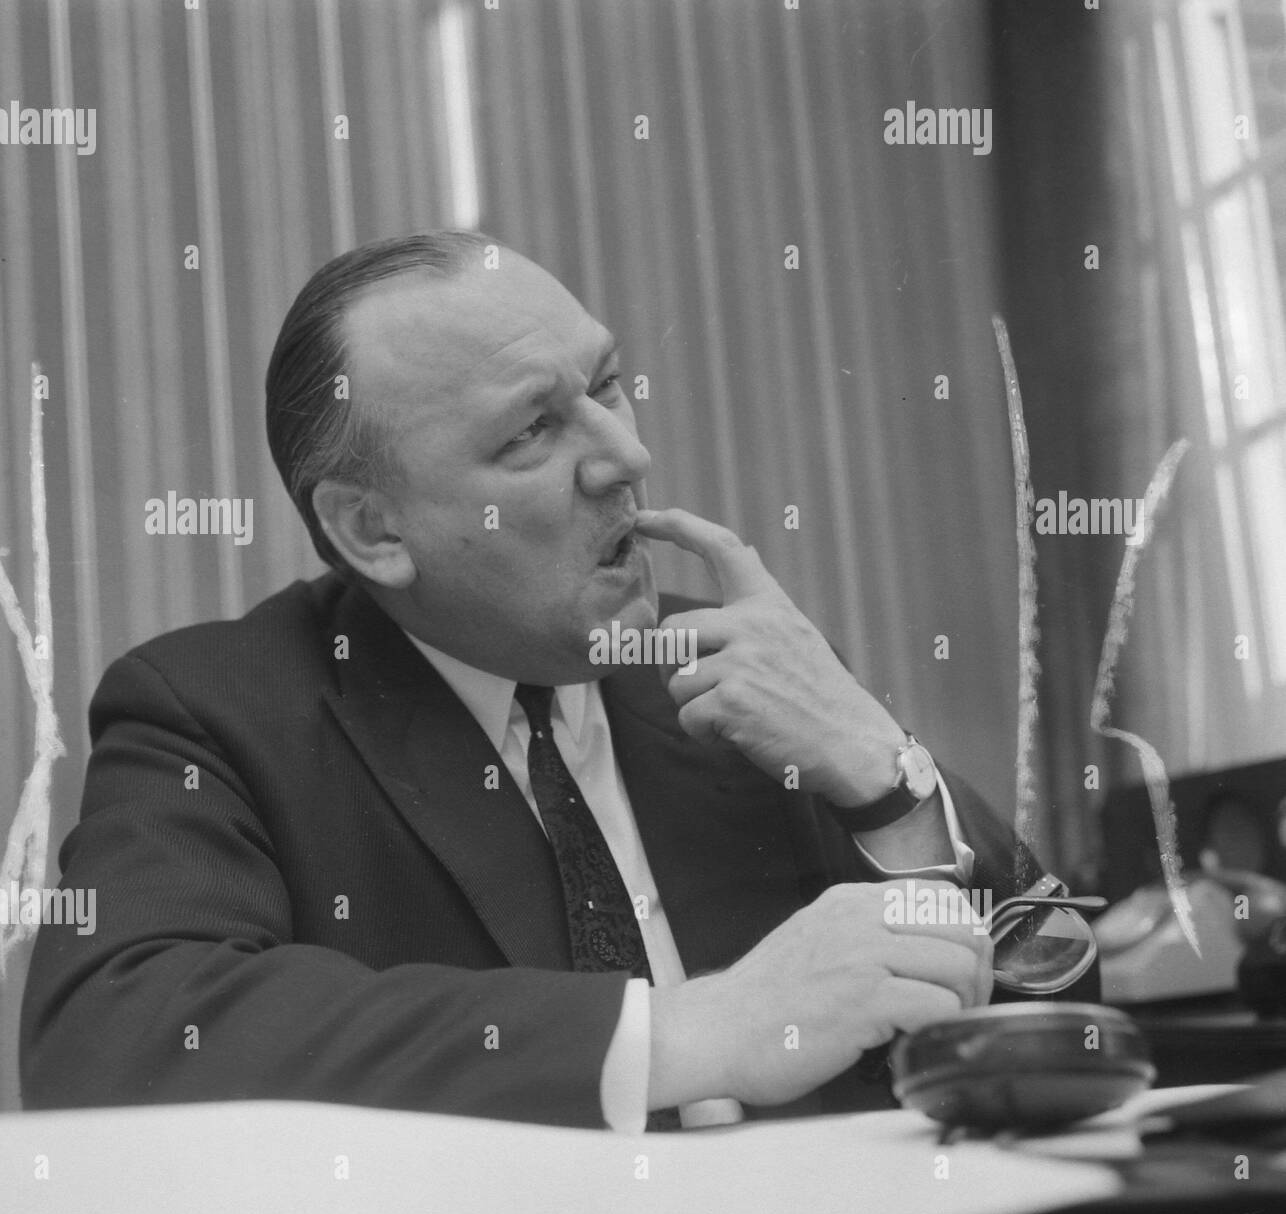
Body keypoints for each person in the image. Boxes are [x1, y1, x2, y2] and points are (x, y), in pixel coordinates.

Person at [20, 231, 1094, 1132]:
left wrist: (884, 777)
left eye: (607, 386)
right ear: (371, 527)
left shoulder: (735, 667)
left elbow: (1067, 1007)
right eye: (534, 428)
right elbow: (114, 1034)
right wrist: (686, 1033)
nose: (623, 453)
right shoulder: (215, 710)